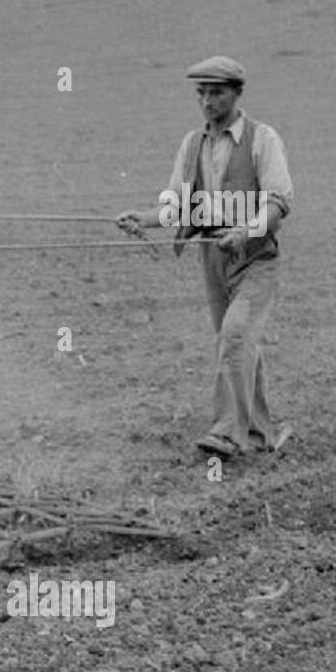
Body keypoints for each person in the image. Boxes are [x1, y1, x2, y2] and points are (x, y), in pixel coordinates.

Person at [117, 56, 294, 459]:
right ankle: (261, 430)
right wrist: (142, 218)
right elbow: (179, 205)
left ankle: (229, 432)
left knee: (234, 336)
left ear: (236, 94)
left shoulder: (262, 138)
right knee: (238, 340)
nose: (207, 101)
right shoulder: (192, 143)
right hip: (211, 256)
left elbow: (278, 202)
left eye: (216, 92)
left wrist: (244, 231)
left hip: (255, 258)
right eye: (202, 93)